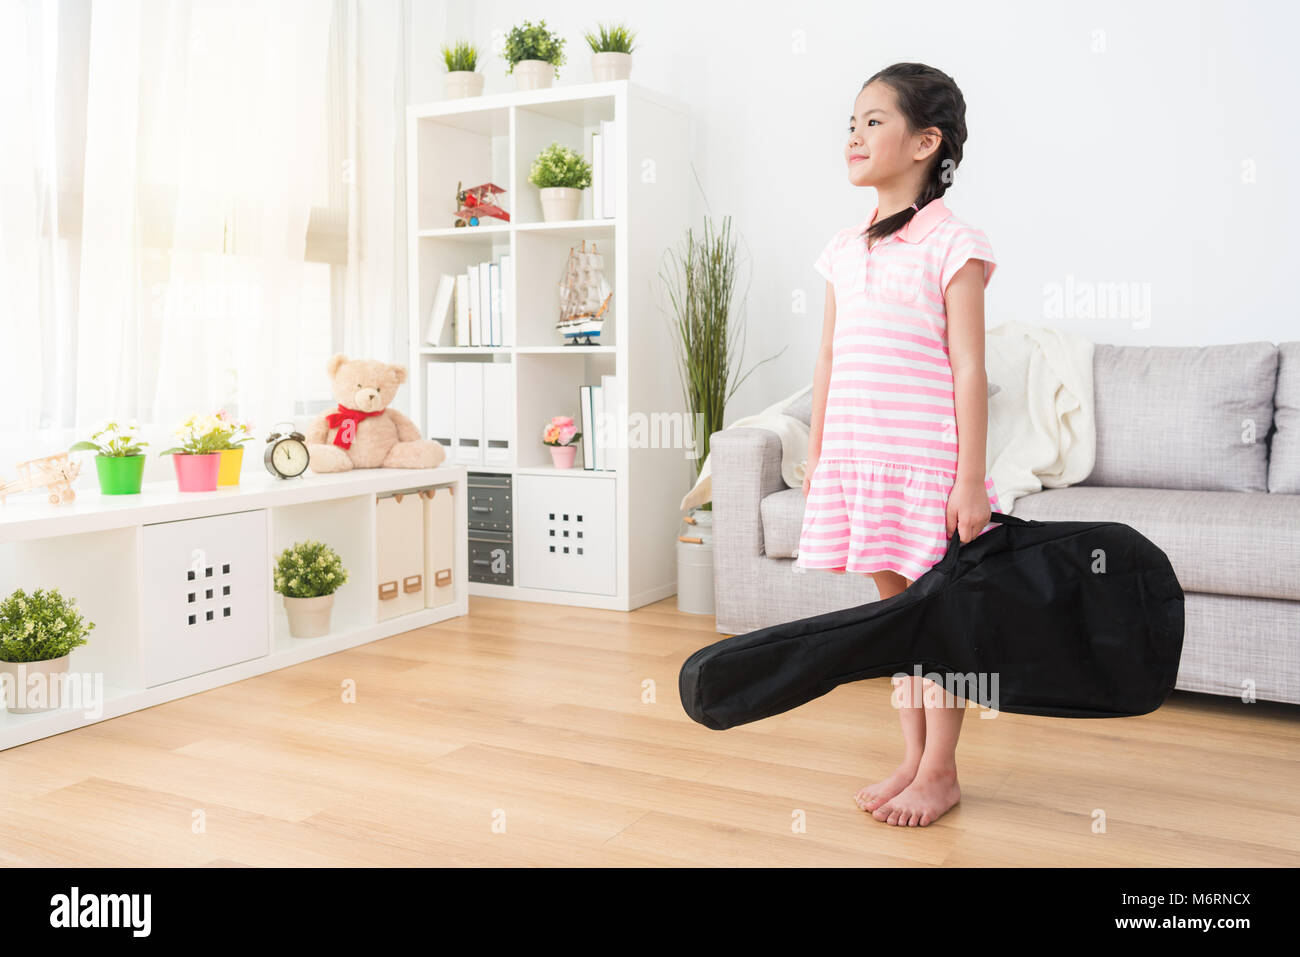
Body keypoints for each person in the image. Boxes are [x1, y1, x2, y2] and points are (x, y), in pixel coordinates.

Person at [795, 63, 1002, 828]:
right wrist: (820, 455)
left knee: (941, 621)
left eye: (873, 120)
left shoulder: (954, 243)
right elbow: (826, 358)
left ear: (925, 141)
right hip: (860, 462)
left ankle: (942, 770)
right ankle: (911, 758)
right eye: (851, 121)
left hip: (926, 468)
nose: (854, 133)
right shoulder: (842, 250)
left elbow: (971, 366)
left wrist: (970, 479)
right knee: (898, 620)